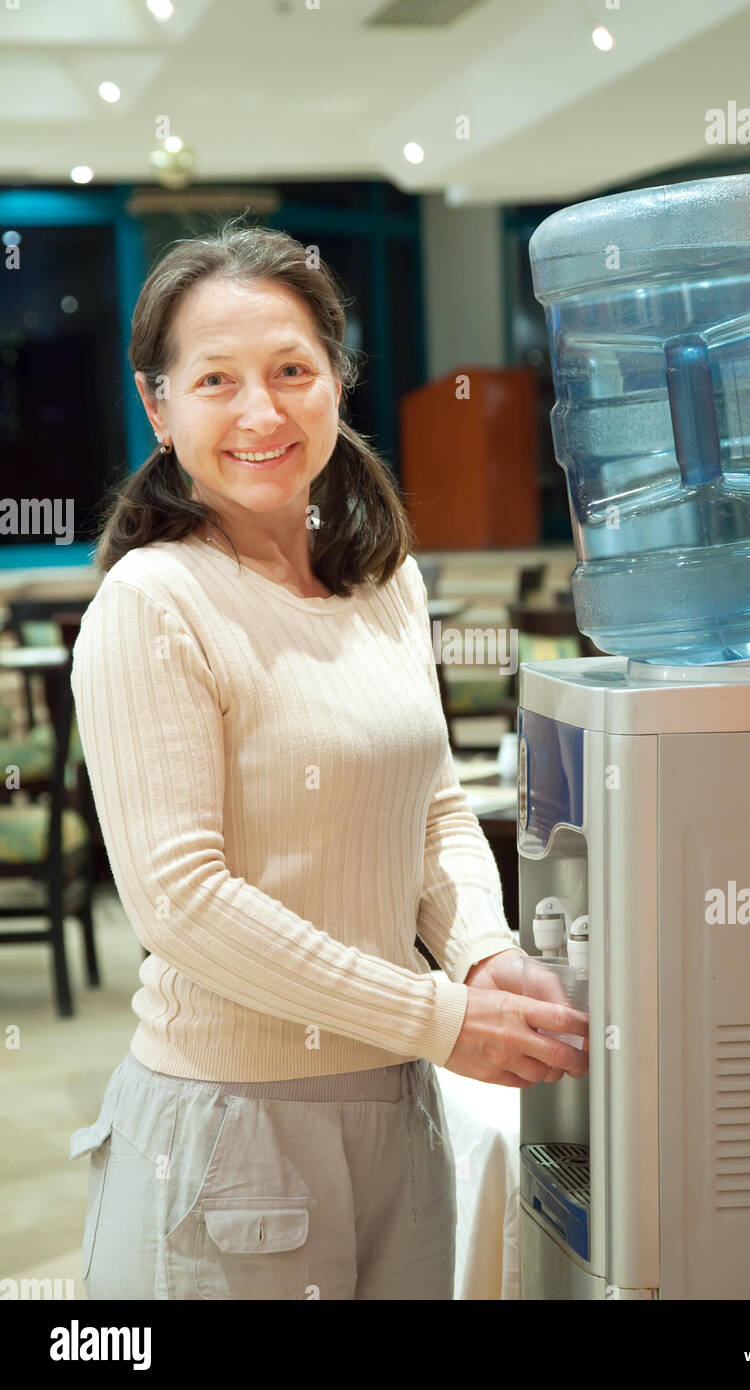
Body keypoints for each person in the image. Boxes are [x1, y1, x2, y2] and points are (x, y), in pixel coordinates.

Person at [68, 219, 589, 1301]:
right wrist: (439, 1015)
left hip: (395, 1112)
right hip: (230, 1134)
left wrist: (482, 954)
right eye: (214, 379)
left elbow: (434, 805)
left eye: (292, 370)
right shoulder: (153, 602)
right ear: (157, 406)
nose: (261, 411)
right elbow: (182, 902)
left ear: (338, 383)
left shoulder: (383, 583)